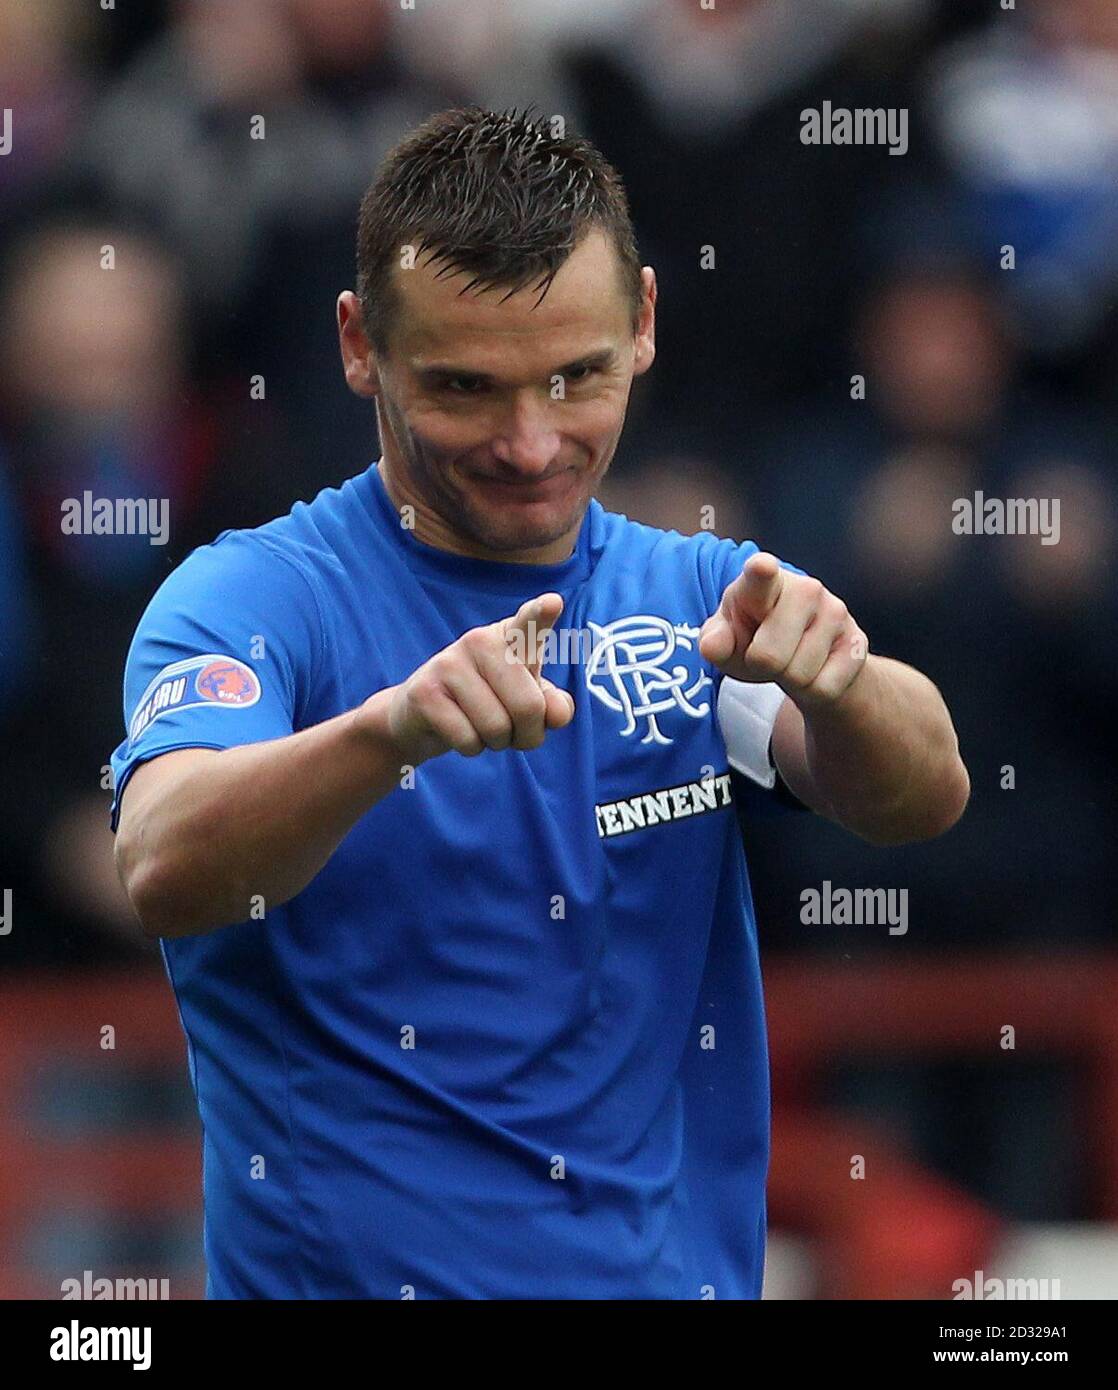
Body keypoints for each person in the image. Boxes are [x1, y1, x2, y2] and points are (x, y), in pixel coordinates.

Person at [109, 106, 969, 1299]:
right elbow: (160, 859)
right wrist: (387, 731)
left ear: (646, 325)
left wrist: (851, 689)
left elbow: (922, 792)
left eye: (576, 378)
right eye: (464, 387)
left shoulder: (699, 599)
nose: (530, 442)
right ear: (359, 345)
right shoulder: (257, 598)